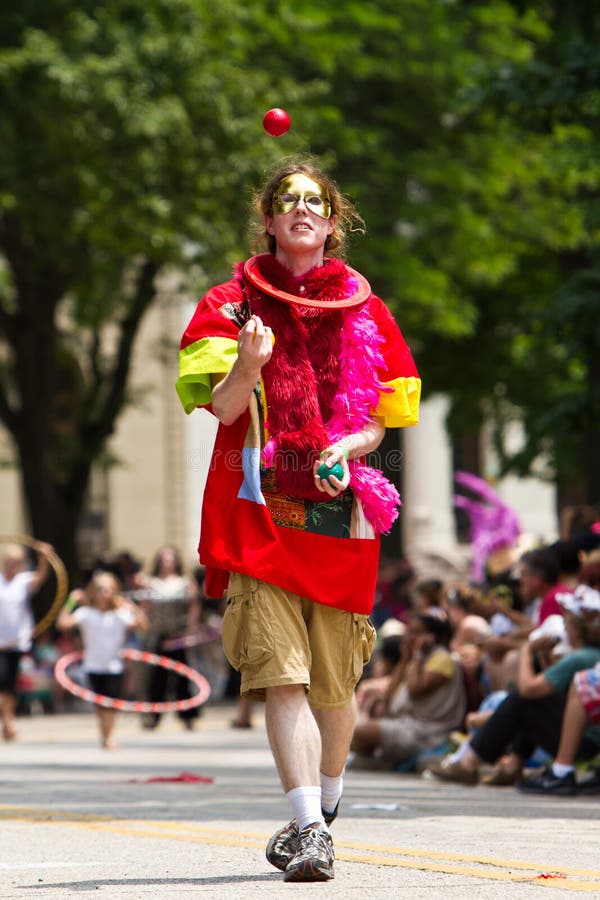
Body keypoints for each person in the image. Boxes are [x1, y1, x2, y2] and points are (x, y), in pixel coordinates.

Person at [176, 157, 421, 881]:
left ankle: (328, 800)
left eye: (316, 200)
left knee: (334, 690)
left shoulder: (366, 307)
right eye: (289, 199)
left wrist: (350, 441)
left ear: (333, 221)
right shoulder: (230, 300)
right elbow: (221, 408)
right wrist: (249, 365)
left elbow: (378, 422)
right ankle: (310, 827)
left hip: (341, 516)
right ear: (270, 217)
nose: (303, 209)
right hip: (261, 509)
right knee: (282, 676)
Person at [426, 578, 600, 787]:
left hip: (585, 743)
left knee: (522, 699)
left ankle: (469, 764)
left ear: (576, 628)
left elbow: (528, 689)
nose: (563, 624)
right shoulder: (588, 655)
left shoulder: (580, 657)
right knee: (532, 702)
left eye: (567, 620)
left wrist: (527, 651)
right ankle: (512, 766)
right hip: (587, 739)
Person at [350, 609, 466, 770]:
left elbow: (414, 690)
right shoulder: (419, 658)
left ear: (432, 637)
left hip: (430, 732)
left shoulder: (442, 659)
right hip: (410, 724)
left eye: (416, 633)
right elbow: (390, 695)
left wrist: (417, 655)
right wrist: (404, 659)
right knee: (359, 731)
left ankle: (383, 760)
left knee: (361, 733)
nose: (409, 637)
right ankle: (382, 759)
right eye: (409, 631)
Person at [56, 571, 148, 749]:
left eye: (107, 589)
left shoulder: (121, 613)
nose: (103, 593)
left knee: (111, 703)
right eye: (99, 589)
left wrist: (133, 608)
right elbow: (62, 624)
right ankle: (104, 735)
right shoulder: (85, 613)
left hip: (115, 666)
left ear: (114, 591)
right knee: (100, 705)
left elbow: (143, 626)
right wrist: (71, 601)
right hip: (93, 665)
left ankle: (108, 736)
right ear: (93, 592)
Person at [139, 545, 202, 730]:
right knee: (155, 678)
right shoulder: (150, 582)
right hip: (157, 634)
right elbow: (144, 607)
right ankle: (153, 716)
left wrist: (191, 629)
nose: (167, 563)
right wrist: (142, 629)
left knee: (183, 677)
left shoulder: (184, 581)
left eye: (170, 559)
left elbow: (194, 606)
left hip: (178, 634)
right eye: (164, 559)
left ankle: (187, 716)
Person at [0, 541, 53, 741]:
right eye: (10, 561)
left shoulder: (23, 581)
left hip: (15, 642)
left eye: (17, 562)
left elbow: (40, 578)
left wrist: (44, 559)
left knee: (9, 684)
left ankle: (8, 721)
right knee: (2, 680)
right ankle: (7, 721)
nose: (12, 565)